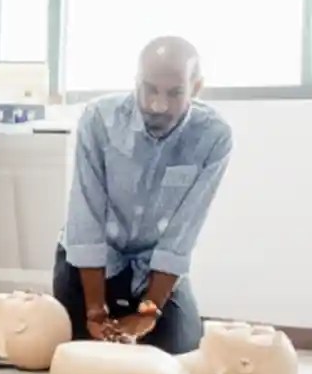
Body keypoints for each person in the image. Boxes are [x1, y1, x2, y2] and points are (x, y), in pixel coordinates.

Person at [53, 35, 232, 355]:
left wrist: (149, 312)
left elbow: (182, 234)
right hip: (92, 263)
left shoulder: (213, 137)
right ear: (135, 80)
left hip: (152, 266)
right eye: (149, 89)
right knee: (79, 348)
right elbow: (86, 217)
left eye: (174, 93)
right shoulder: (99, 119)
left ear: (196, 88)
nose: (158, 105)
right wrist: (95, 310)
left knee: (176, 350)